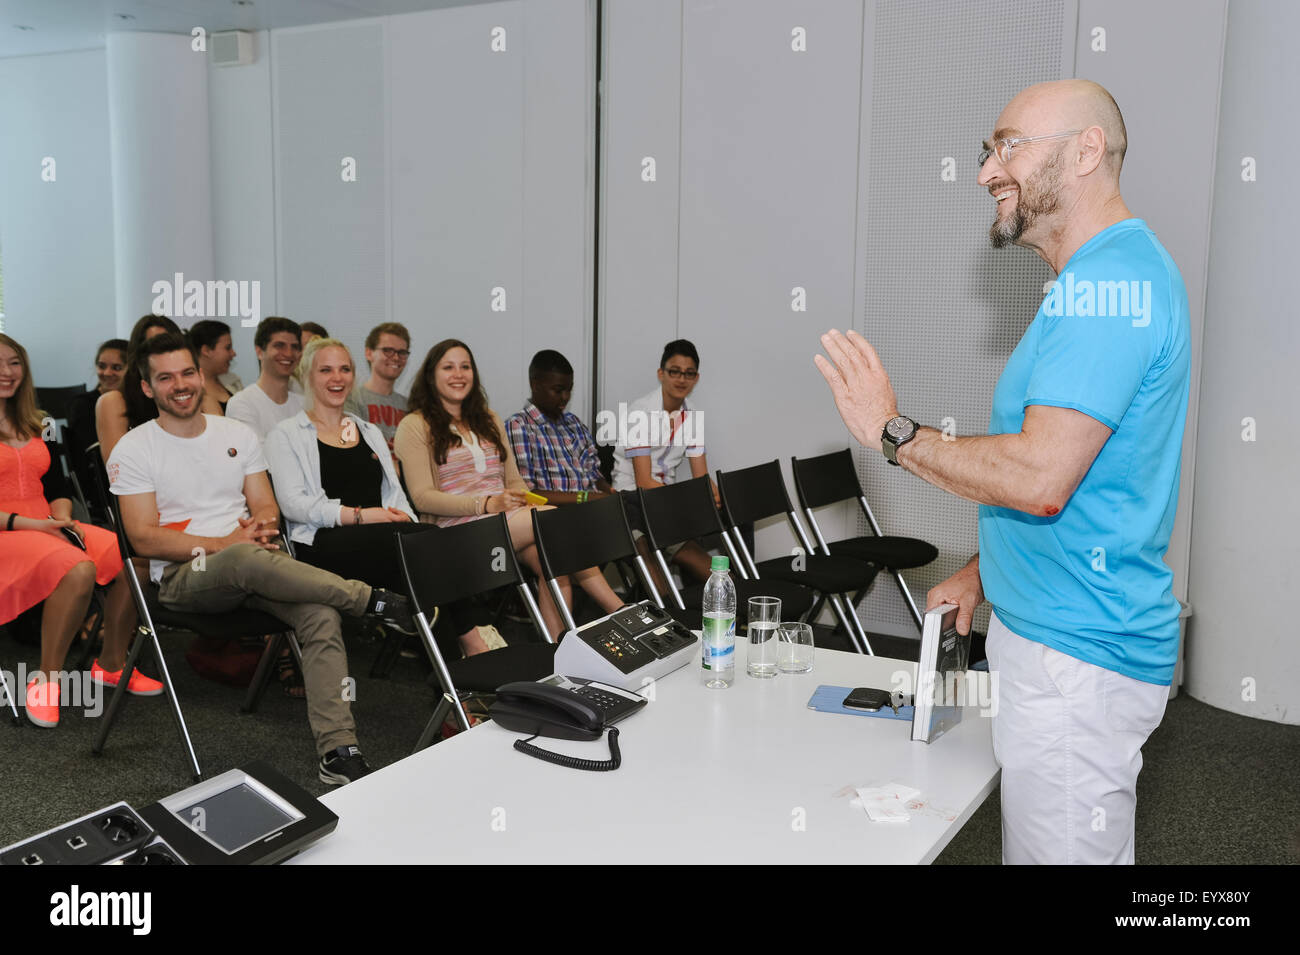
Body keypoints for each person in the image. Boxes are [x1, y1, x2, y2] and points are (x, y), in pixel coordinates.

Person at [814, 80, 1189, 865]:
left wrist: (893, 431)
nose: (986, 170)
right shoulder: (1098, 280)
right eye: (989, 150)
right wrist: (986, 571)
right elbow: (1082, 480)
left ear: (1087, 150)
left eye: (1008, 143)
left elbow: (1040, 476)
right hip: (1061, 642)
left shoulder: (1107, 290)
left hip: (1075, 658)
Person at [108, 332, 414, 785]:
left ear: (200, 375)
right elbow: (142, 539)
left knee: (319, 614)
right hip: (183, 575)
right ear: (148, 388)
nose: (181, 384)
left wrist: (254, 529)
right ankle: (371, 600)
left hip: (254, 563)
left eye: (188, 372)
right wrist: (225, 543)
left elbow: (266, 507)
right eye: (165, 377)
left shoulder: (237, 434)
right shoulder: (135, 447)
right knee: (243, 559)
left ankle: (338, 750)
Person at [267, 337, 492, 658]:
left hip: (383, 541)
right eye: (326, 370)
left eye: (345, 369)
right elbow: (293, 505)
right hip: (321, 544)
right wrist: (360, 515)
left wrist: (407, 525)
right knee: (427, 553)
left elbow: (396, 498)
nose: (337, 378)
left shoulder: (368, 431)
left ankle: (455, 674)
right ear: (308, 376)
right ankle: (472, 651)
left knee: (426, 564)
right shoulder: (286, 434)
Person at [394, 339, 625, 640]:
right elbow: (422, 497)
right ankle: (621, 611)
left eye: (465, 367)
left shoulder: (487, 419)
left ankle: (558, 651)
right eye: (448, 367)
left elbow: (514, 482)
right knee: (556, 523)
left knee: (553, 556)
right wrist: (485, 503)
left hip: (504, 523)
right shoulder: (414, 425)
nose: (458, 374)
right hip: (453, 533)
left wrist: (520, 501)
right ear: (430, 375)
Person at [0, 334, 156, 729]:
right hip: (8, 532)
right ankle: (46, 680)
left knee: (133, 555)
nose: (7, 372)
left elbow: (57, 488)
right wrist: (34, 525)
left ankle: (111, 663)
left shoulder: (41, 423)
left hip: (48, 523)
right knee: (78, 568)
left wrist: (62, 519)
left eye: (14, 362)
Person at [611, 339, 717, 586]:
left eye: (689, 374)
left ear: (696, 378)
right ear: (661, 374)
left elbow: (701, 476)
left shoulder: (691, 415)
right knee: (657, 573)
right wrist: (688, 499)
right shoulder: (640, 413)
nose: (682, 379)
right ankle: (667, 603)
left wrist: (714, 494)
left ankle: (737, 606)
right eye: (675, 372)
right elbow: (644, 482)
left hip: (665, 501)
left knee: (734, 515)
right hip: (631, 499)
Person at [505, 349, 612, 506]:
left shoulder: (574, 423)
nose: (565, 397)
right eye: (558, 390)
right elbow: (526, 493)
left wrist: (608, 491)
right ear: (535, 385)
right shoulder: (519, 426)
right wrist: (584, 498)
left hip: (591, 510)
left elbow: (593, 474)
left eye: (569, 390)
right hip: (550, 516)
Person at [95, 315, 182, 460]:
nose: (164, 354)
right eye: (154, 347)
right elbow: (118, 467)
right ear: (138, 354)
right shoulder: (113, 401)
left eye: (169, 346)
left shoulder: (193, 394)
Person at [225, 316, 304, 442]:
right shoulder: (242, 403)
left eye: (294, 347)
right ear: (259, 351)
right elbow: (257, 457)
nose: (288, 353)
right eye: (279, 346)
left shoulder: (304, 404)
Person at [65, 338, 128, 493]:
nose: (107, 373)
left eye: (117, 367)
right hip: (101, 488)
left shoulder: (139, 405)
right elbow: (94, 457)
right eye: (101, 366)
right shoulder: (82, 404)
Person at [344, 322, 410, 451]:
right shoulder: (351, 399)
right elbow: (353, 447)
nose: (396, 357)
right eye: (388, 351)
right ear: (369, 353)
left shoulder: (410, 406)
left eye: (402, 352)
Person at [188, 320, 242, 413]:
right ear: (206, 350)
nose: (233, 353)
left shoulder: (233, 380)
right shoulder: (189, 389)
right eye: (228, 348)